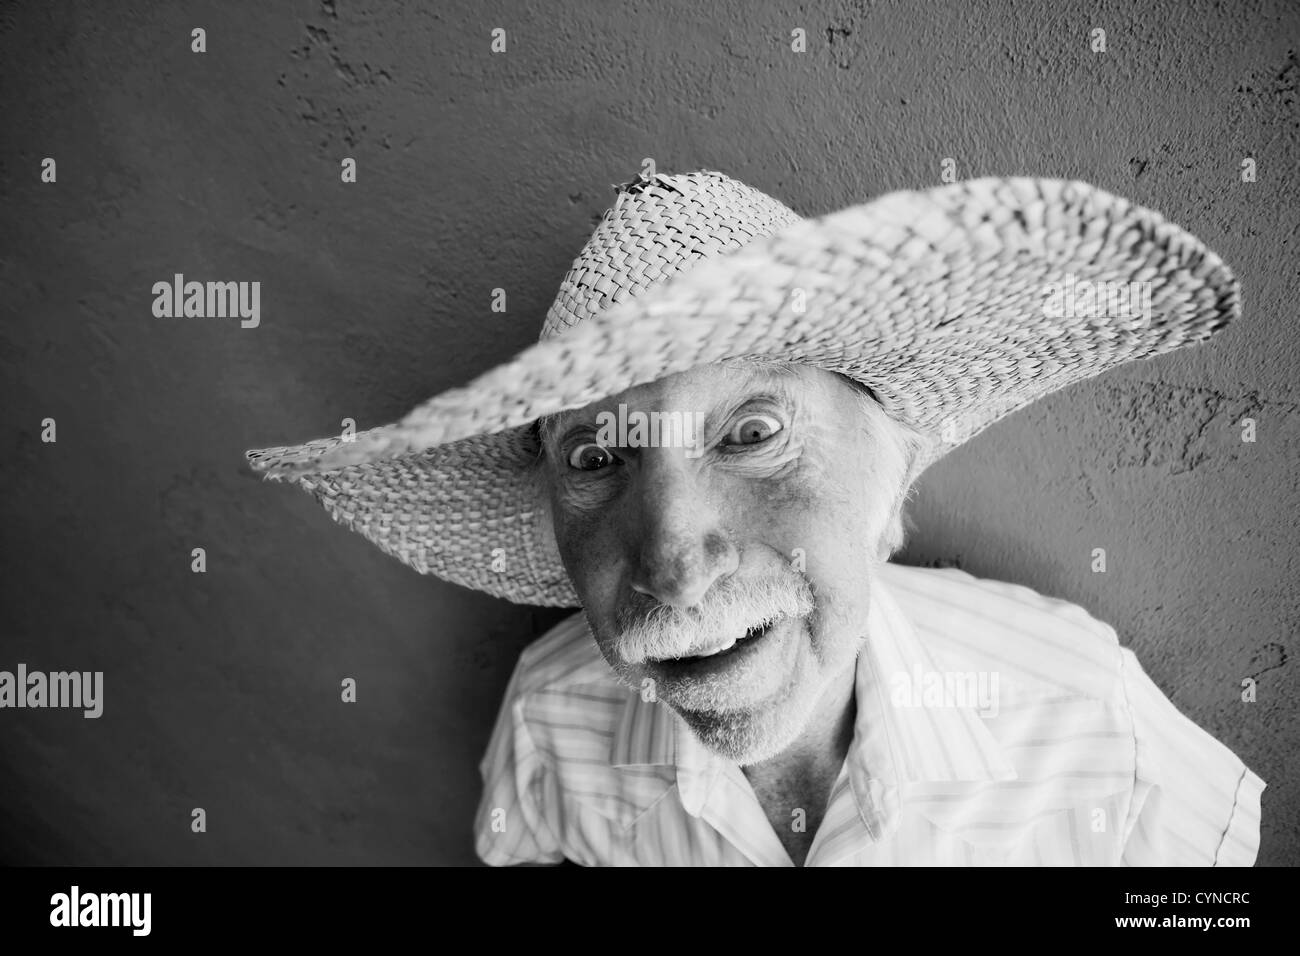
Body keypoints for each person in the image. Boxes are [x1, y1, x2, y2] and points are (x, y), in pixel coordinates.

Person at [246, 169, 1265, 866]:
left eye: (751, 431)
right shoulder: (551, 718)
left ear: (889, 473)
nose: (674, 566)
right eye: (595, 458)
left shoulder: (1087, 717)